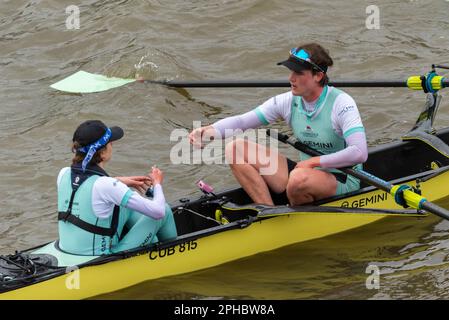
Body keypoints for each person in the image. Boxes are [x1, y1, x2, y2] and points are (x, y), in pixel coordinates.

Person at [189, 43, 368, 206]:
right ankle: (268, 213)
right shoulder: (287, 102)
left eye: (298, 73)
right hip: (304, 172)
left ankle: (297, 218)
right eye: (290, 72)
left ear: (318, 76)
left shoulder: (342, 103)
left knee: (298, 179)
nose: (291, 78)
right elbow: (243, 121)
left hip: (342, 178)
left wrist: (314, 162)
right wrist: (209, 131)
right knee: (234, 149)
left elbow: (359, 152)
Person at [57, 120, 177, 255]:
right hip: (99, 257)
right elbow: (158, 211)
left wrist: (120, 181)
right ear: (102, 153)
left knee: (125, 206)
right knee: (165, 211)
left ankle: (152, 240)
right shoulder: (107, 186)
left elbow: (86, 187)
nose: (112, 144)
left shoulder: (64, 173)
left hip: (68, 249)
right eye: (110, 143)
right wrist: (157, 184)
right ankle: (173, 254)